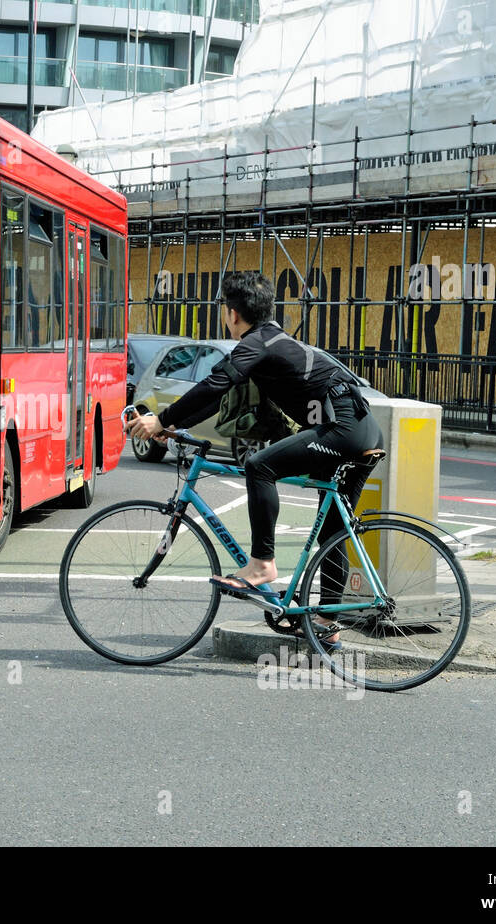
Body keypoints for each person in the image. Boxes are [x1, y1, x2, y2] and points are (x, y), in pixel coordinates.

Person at [125, 272, 383, 645]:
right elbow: (218, 395)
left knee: (258, 466)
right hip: (363, 427)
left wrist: (161, 418)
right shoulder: (272, 341)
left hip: (342, 428)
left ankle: (262, 564)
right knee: (333, 531)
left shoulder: (257, 343)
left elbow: (213, 384)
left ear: (232, 314)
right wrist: (171, 426)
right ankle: (327, 625)